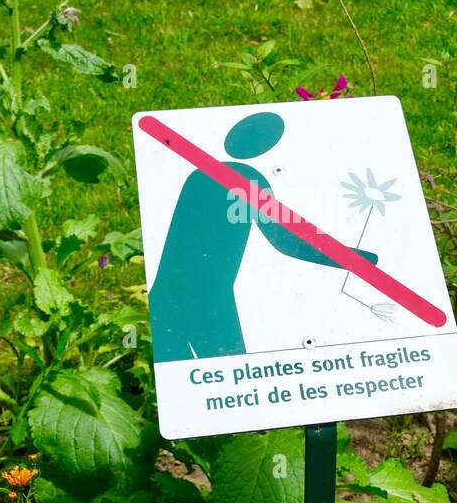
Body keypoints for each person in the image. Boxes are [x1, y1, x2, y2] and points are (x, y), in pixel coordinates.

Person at [148, 111, 377, 362]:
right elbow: (285, 238)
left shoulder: (200, 175)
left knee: (188, 390)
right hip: (207, 301)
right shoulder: (247, 179)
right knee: (236, 383)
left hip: (166, 297)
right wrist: (357, 260)